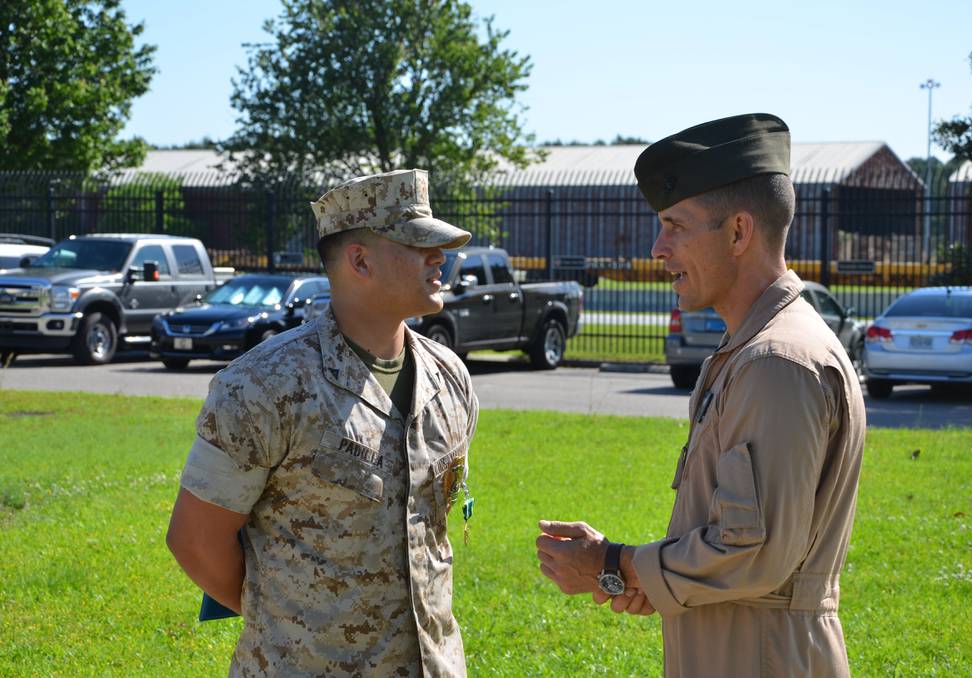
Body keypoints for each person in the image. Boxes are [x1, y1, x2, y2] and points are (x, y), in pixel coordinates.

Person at [536, 114, 866, 677]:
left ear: (739, 232)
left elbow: (755, 553)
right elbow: (733, 540)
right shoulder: (753, 349)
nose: (657, 247)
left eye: (676, 225)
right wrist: (640, 575)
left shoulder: (776, 362)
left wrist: (612, 563)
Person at [166, 168, 479, 677]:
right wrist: (291, 625)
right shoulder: (265, 385)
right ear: (360, 260)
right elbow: (196, 541)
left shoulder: (450, 379)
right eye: (419, 243)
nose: (439, 256)